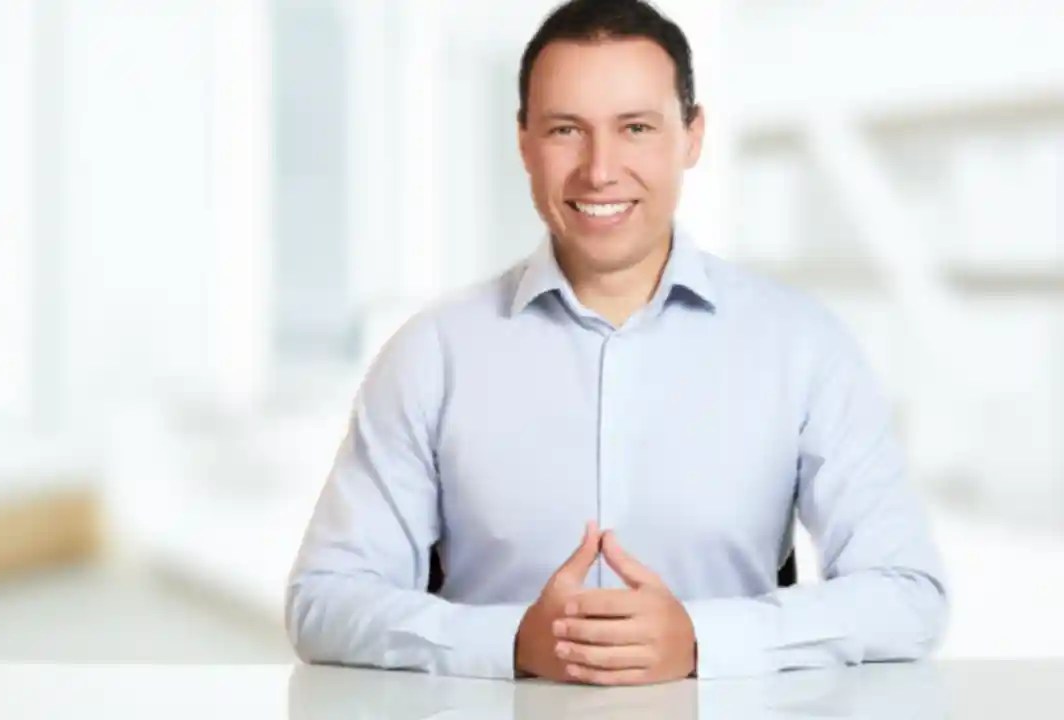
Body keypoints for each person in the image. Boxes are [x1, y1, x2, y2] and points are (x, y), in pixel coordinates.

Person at [285, 0, 948, 685]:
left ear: (692, 136)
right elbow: (324, 601)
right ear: (523, 142)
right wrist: (511, 641)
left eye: (635, 128)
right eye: (566, 129)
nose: (600, 170)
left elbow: (907, 595)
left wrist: (702, 640)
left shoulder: (804, 347)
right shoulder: (431, 355)